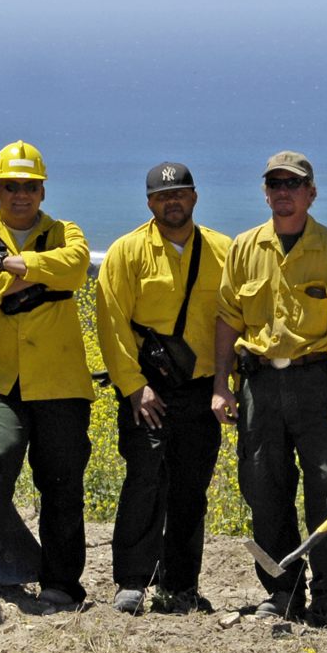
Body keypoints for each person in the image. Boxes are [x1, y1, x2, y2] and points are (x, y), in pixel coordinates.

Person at [212, 153, 327, 628]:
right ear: (265, 192)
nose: (283, 191)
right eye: (275, 183)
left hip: (314, 381)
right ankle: (280, 592)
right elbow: (226, 318)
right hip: (259, 382)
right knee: (264, 488)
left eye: (293, 184)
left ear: (311, 193)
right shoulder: (243, 248)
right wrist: (222, 384)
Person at [0, 143, 96, 608]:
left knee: (63, 479)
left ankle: (62, 581)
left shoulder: (64, 230)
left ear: (43, 189)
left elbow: (75, 270)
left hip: (60, 379)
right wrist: (34, 277)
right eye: (12, 186)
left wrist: (14, 265)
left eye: (30, 186)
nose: (21, 195)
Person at [93, 162, 230, 615]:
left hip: (201, 389)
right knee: (144, 480)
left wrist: (228, 386)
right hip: (146, 390)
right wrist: (134, 387)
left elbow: (239, 317)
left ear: (195, 197)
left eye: (181, 192)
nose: (173, 201)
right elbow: (111, 324)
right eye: (162, 196)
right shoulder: (126, 252)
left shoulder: (224, 251)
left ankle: (180, 586)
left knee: (192, 488)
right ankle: (131, 580)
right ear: (149, 202)